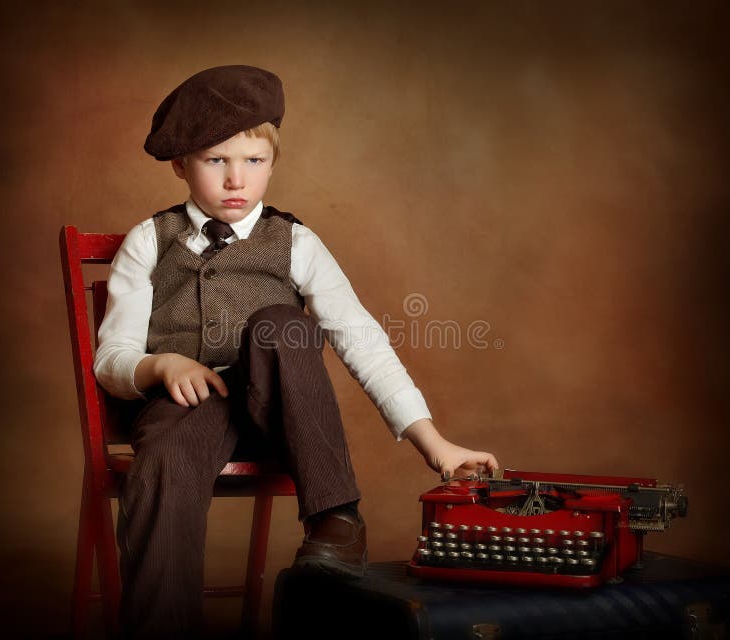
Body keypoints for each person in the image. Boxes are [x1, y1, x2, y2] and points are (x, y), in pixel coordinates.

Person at [94, 64, 499, 639]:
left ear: (272, 163)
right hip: (186, 407)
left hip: (274, 416)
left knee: (285, 324)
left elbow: (362, 340)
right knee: (164, 464)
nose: (237, 179)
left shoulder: (296, 241)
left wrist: (433, 443)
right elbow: (112, 358)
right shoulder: (149, 240)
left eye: (253, 161)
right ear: (181, 164)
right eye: (215, 161)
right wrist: (160, 364)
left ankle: (336, 518)